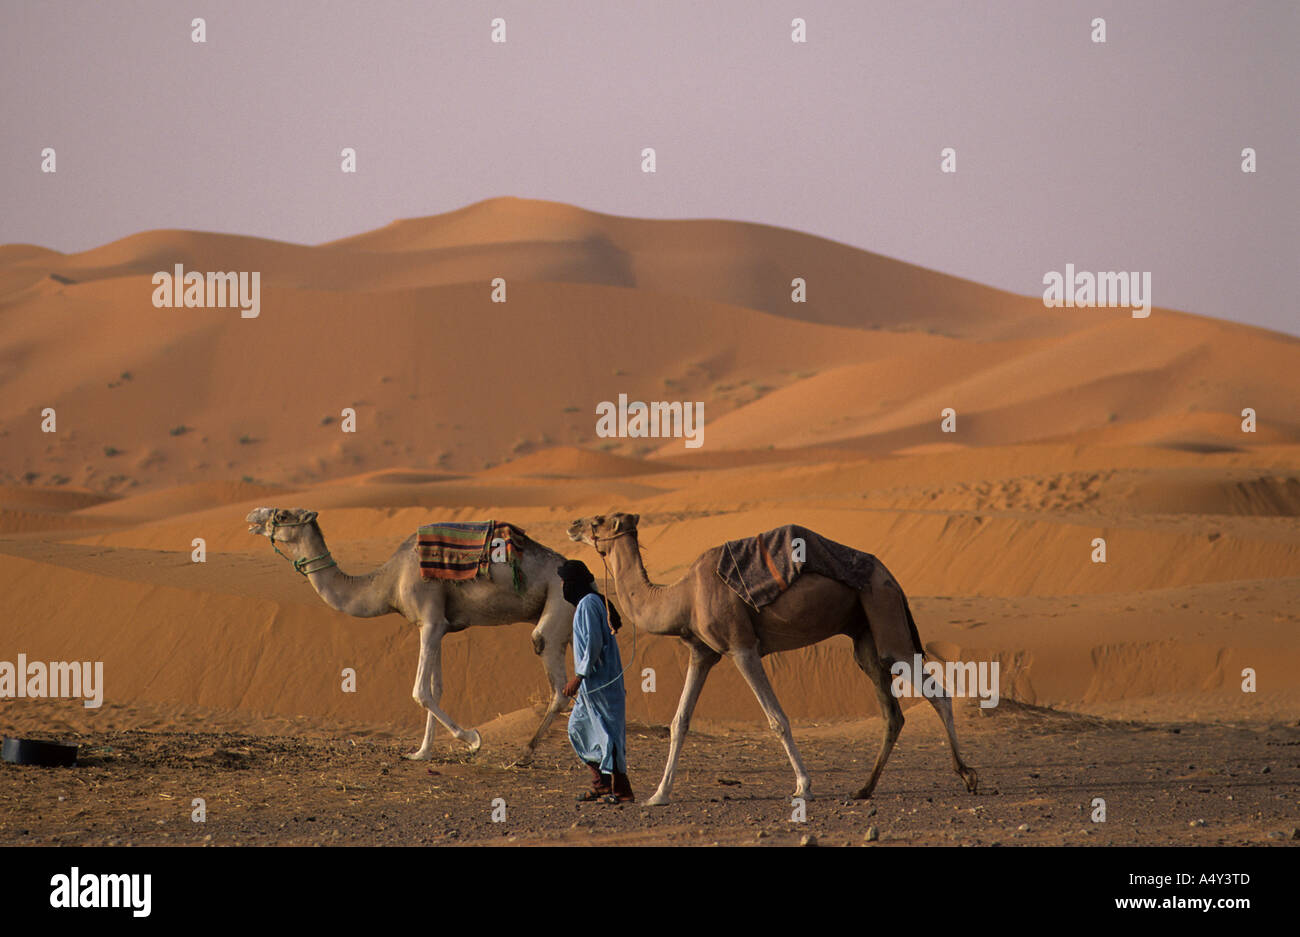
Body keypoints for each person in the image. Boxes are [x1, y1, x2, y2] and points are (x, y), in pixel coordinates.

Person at [557, 559, 633, 803]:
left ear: (573, 583)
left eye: (564, 581)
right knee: (578, 729)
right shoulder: (587, 602)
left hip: (600, 682)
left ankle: (622, 792)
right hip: (593, 687)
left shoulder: (589, 604)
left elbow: (593, 643)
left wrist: (578, 677)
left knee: (608, 735)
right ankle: (600, 785)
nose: (562, 586)